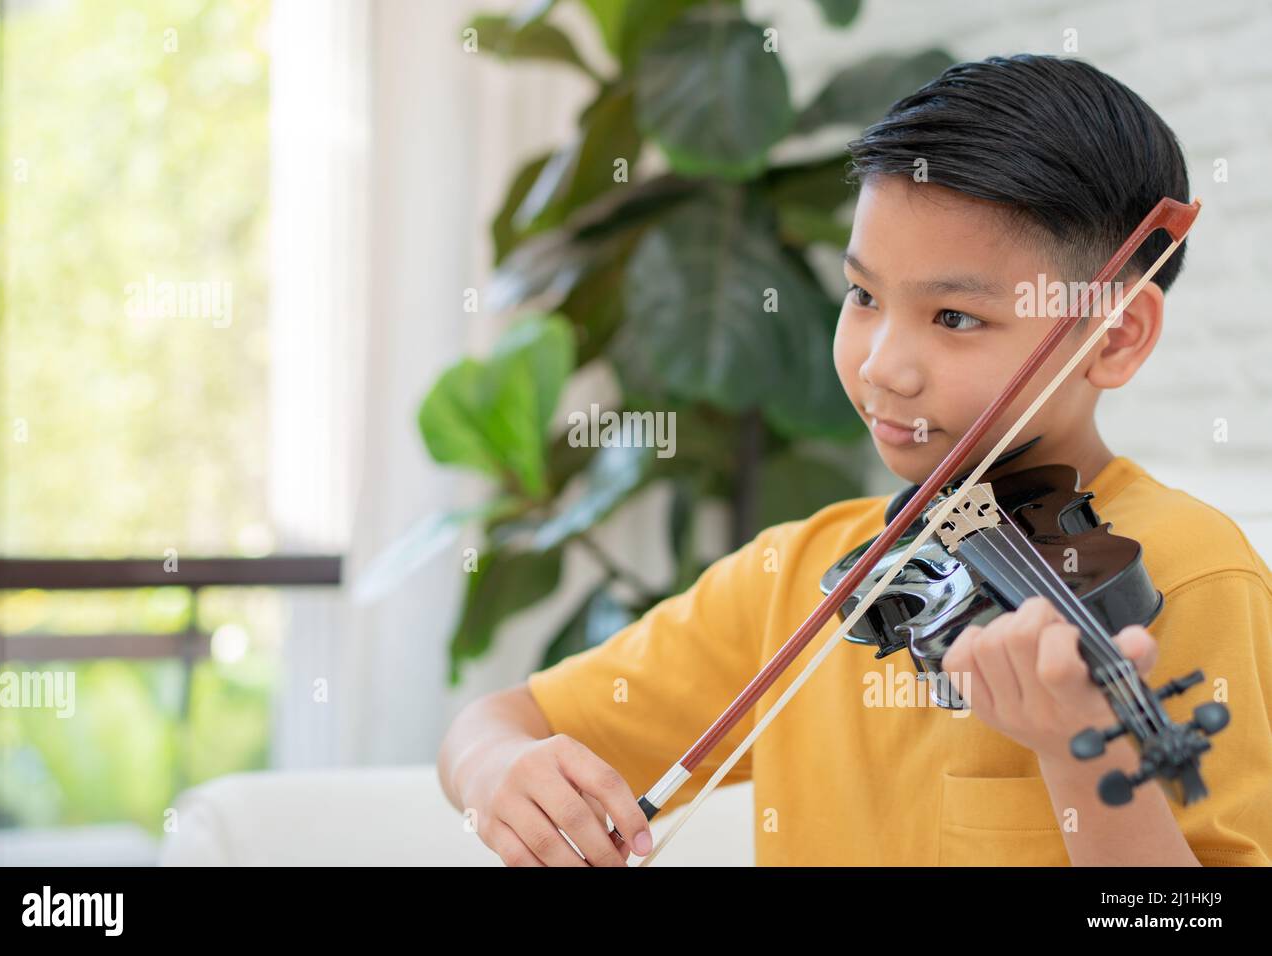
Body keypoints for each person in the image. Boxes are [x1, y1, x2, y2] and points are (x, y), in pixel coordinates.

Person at [437, 54, 1272, 867]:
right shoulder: (798, 576)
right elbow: (505, 717)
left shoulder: (1191, 577)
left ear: (1116, 336)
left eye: (953, 317)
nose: (881, 366)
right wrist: (495, 770)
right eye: (864, 296)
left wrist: (1083, 755)